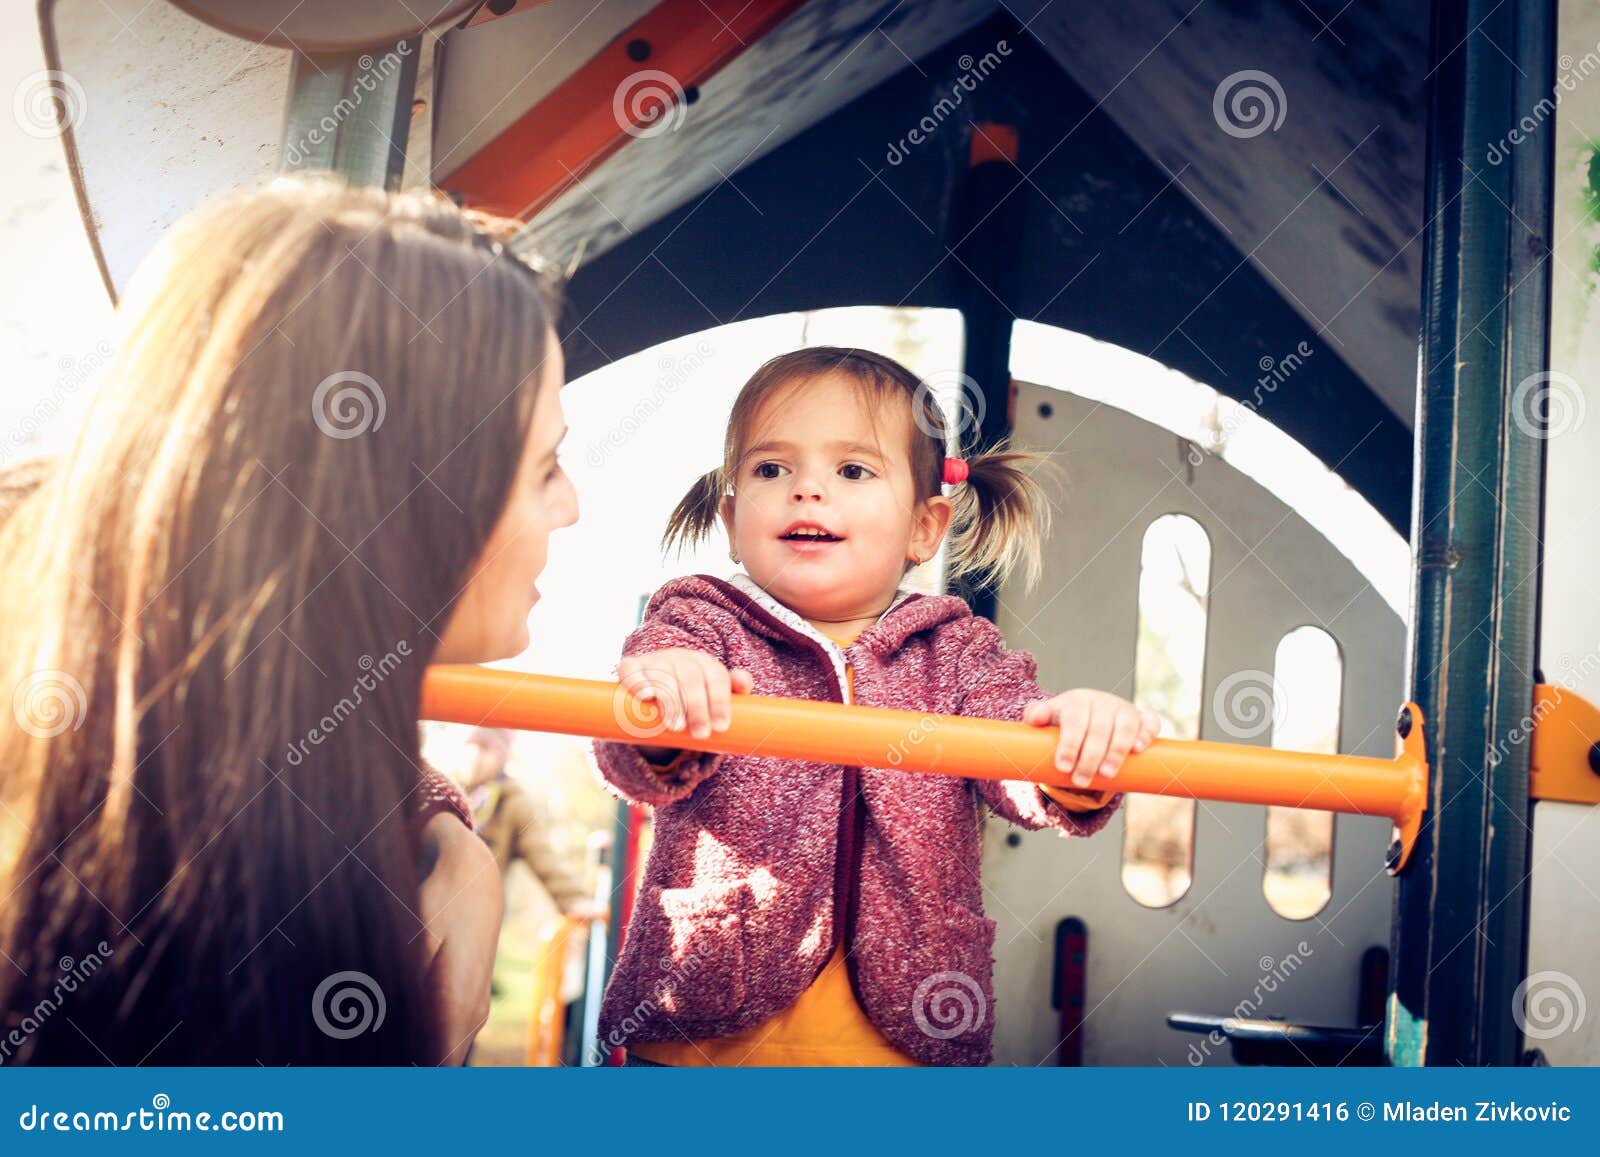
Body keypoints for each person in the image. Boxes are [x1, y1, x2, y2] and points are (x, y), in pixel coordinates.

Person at [0, 178, 578, 1065]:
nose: (570, 506)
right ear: (395, 501)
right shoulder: (246, 943)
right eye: (545, 467)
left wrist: (434, 818)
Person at [594, 347, 1160, 1066]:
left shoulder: (956, 652)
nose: (807, 490)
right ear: (732, 519)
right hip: (704, 1031)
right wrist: (663, 696)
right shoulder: (698, 625)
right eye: (771, 469)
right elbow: (631, 753)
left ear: (925, 527)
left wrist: (1075, 743)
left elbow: (1018, 741)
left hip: (902, 1043)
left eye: (853, 470)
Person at [459, 727, 599, 919]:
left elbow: (542, 854)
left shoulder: (512, 802)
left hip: (477, 915)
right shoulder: (442, 791)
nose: (475, 757)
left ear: (501, 759)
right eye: (472, 746)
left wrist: (573, 899)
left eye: (486, 749)